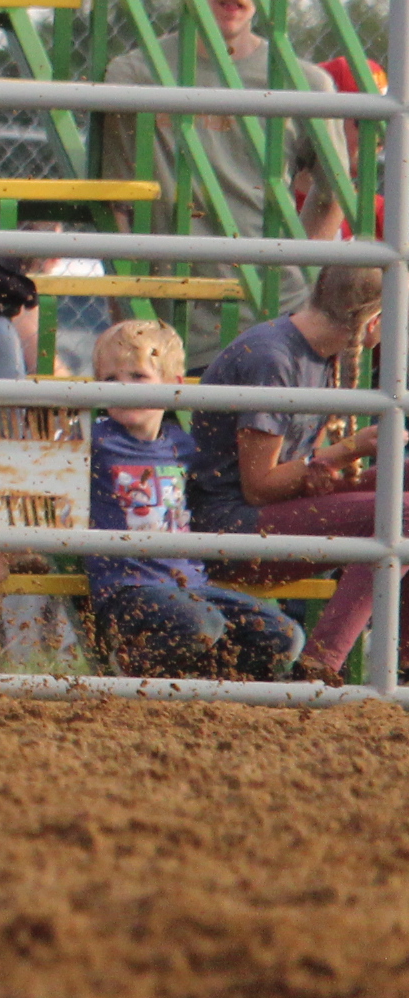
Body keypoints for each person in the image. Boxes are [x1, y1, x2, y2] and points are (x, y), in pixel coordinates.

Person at [95, 0, 347, 281]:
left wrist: (294, 275)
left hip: (269, 310)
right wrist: (128, 301)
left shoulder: (307, 85)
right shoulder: (135, 76)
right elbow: (115, 205)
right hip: (167, 305)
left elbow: (334, 194)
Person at [187, 263, 387, 683]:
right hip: (228, 526)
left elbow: (292, 464)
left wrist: (321, 468)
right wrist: (347, 449)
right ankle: (318, 668)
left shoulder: (311, 351)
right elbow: (258, 488)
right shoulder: (272, 358)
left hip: (260, 513)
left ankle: (396, 664)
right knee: (401, 515)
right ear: (374, 322)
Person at [80, 317, 302, 681]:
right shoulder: (95, 441)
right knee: (201, 624)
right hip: (127, 588)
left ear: (173, 386)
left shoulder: (183, 446)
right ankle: (128, 669)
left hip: (190, 584)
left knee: (283, 635)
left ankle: (206, 697)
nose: (123, 388)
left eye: (138, 376)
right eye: (110, 379)